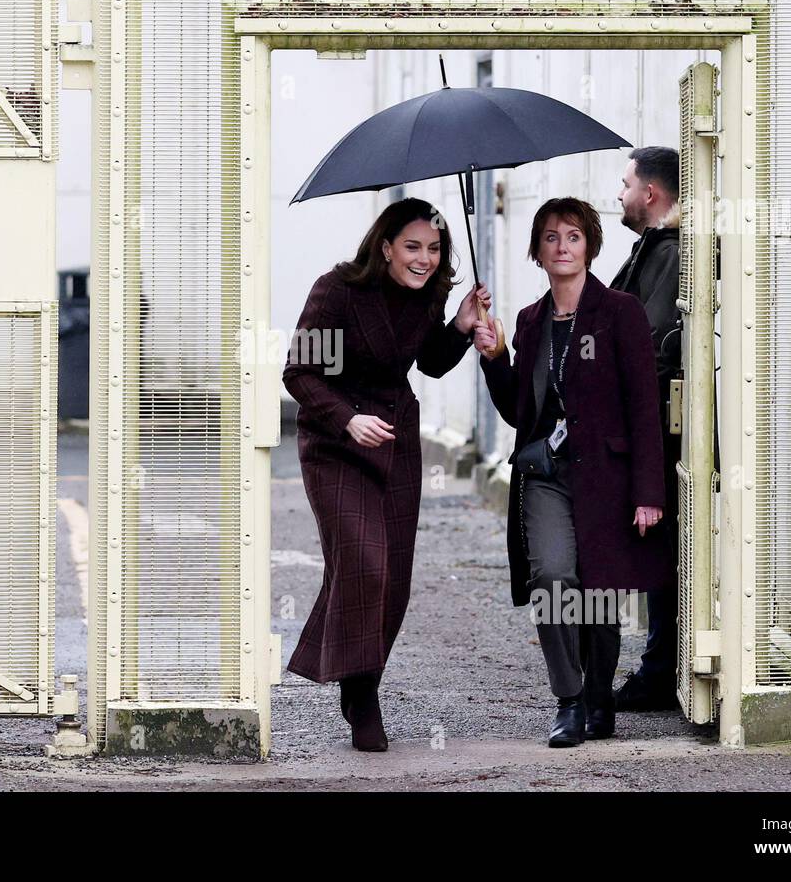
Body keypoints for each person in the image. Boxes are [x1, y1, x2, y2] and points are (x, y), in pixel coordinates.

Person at [283, 197, 490, 751]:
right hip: (336, 442)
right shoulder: (338, 290)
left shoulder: (430, 295)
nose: (424, 259)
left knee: (393, 574)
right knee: (363, 561)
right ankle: (361, 693)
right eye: (412, 247)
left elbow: (430, 363)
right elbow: (299, 373)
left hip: (395, 440)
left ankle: (364, 679)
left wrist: (463, 325)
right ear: (385, 246)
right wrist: (348, 420)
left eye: (434, 248)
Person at [472, 197, 668, 747]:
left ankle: (600, 696)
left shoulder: (620, 312)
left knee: (599, 594)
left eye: (574, 236)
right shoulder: (531, 321)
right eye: (552, 237)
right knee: (555, 579)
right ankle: (570, 700)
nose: (562, 246)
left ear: (590, 246)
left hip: (607, 473)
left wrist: (648, 491)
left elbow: (644, 406)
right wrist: (494, 357)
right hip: (545, 475)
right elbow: (519, 411)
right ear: (537, 250)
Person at [611, 146, 683, 712]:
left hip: (660, 428)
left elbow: (653, 346)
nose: (620, 193)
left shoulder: (671, 253)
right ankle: (662, 667)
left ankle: (661, 671)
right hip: (652, 426)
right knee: (659, 548)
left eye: (626, 182)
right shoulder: (653, 251)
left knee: (663, 549)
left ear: (650, 193)